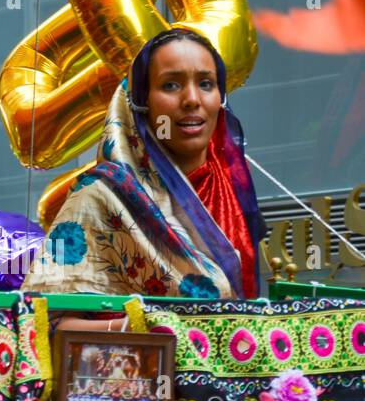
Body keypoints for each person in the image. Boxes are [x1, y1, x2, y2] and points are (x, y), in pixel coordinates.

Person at [23, 28, 266, 299]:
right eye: (171, 85)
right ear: (140, 102)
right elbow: (45, 315)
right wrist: (150, 328)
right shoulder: (99, 198)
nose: (192, 100)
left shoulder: (231, 192)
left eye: (206, 84)